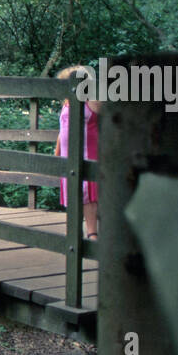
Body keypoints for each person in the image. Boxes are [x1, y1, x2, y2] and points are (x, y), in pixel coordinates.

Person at [56, 65, 101, 240]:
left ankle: (92, 232)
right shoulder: (67, 103)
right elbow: (62, 129)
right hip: (67, 153)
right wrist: (57, 149)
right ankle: (74, 232)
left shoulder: (92, 101)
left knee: (88, 194)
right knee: (71, 191)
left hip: (87, 151)